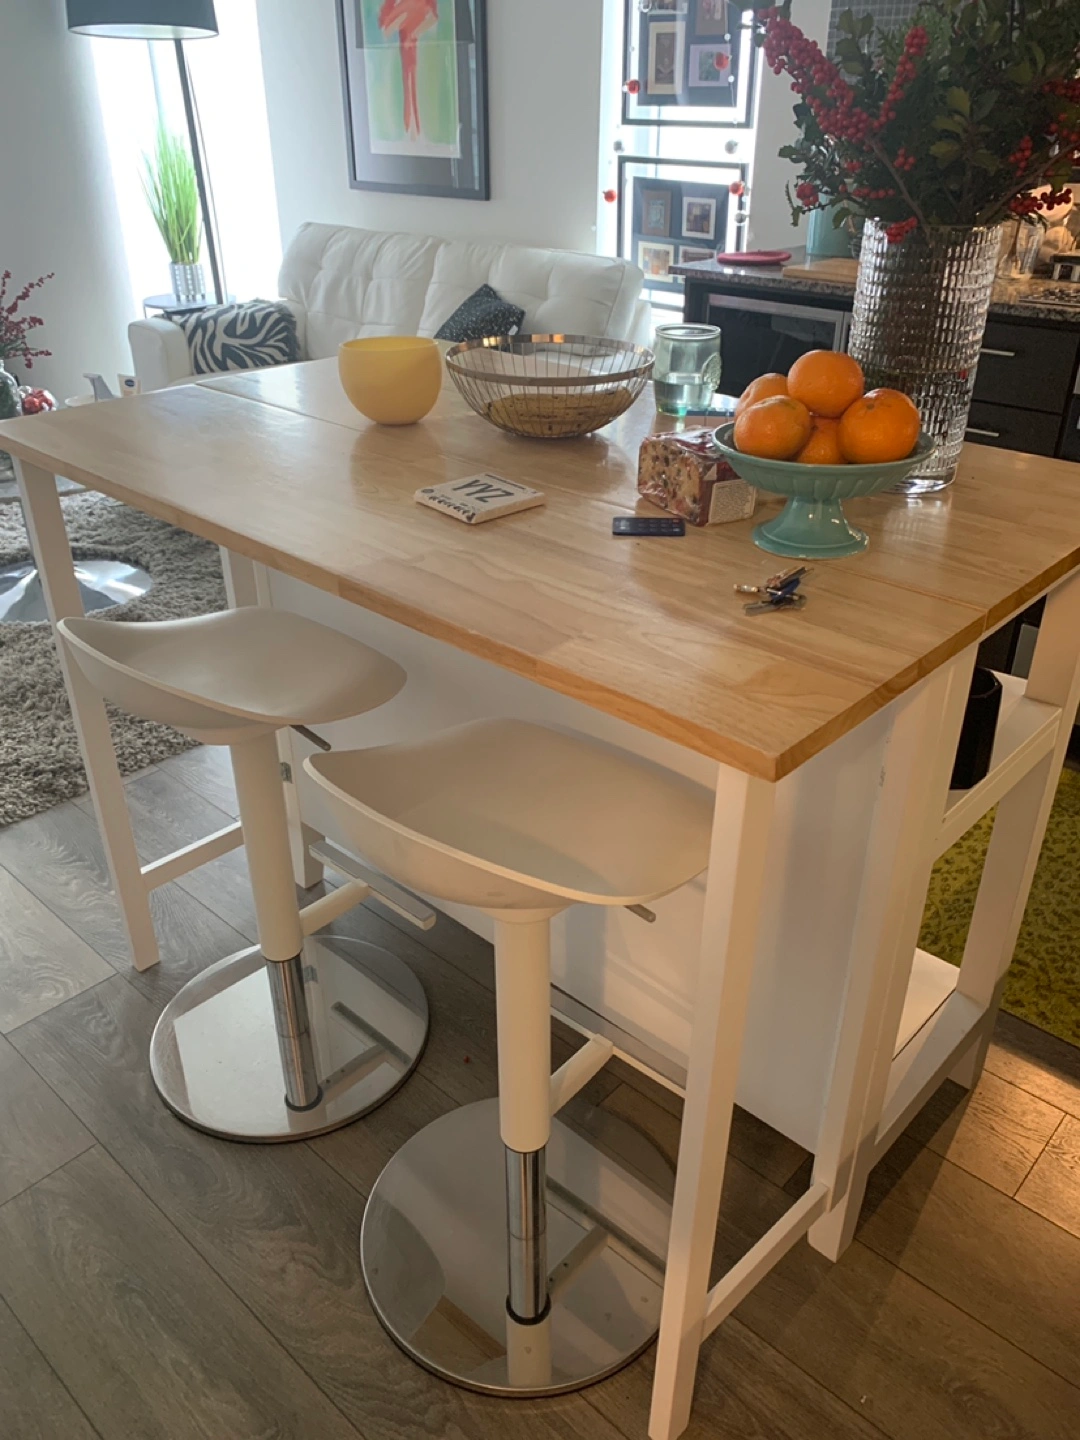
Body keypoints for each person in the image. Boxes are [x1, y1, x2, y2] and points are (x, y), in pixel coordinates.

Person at [377, 0, 440, 140]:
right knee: (408, 84)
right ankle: (411, 130)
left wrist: (415, 32)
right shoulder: (393, 4)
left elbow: (433, 18)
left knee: (416, 85)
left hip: (422, 49)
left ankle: (416, 130)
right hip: (405, 50)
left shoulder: (424, 5)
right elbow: (385, 28)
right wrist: (402, 19)